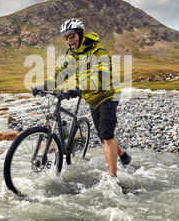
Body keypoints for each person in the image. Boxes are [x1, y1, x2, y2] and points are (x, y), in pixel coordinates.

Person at [33, 19, 131, 177]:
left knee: (106, 135)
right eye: (66, 37)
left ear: (80, 33)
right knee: (104, 135)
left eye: (72, 35)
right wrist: (44, 86)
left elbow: (101, 76)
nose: (70, 40)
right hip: (92, 99)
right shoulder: (73, 55)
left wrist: (79, 88)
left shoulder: (99, 52)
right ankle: (123, 155)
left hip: (108, 96)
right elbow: (60, 73)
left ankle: (113, 178)